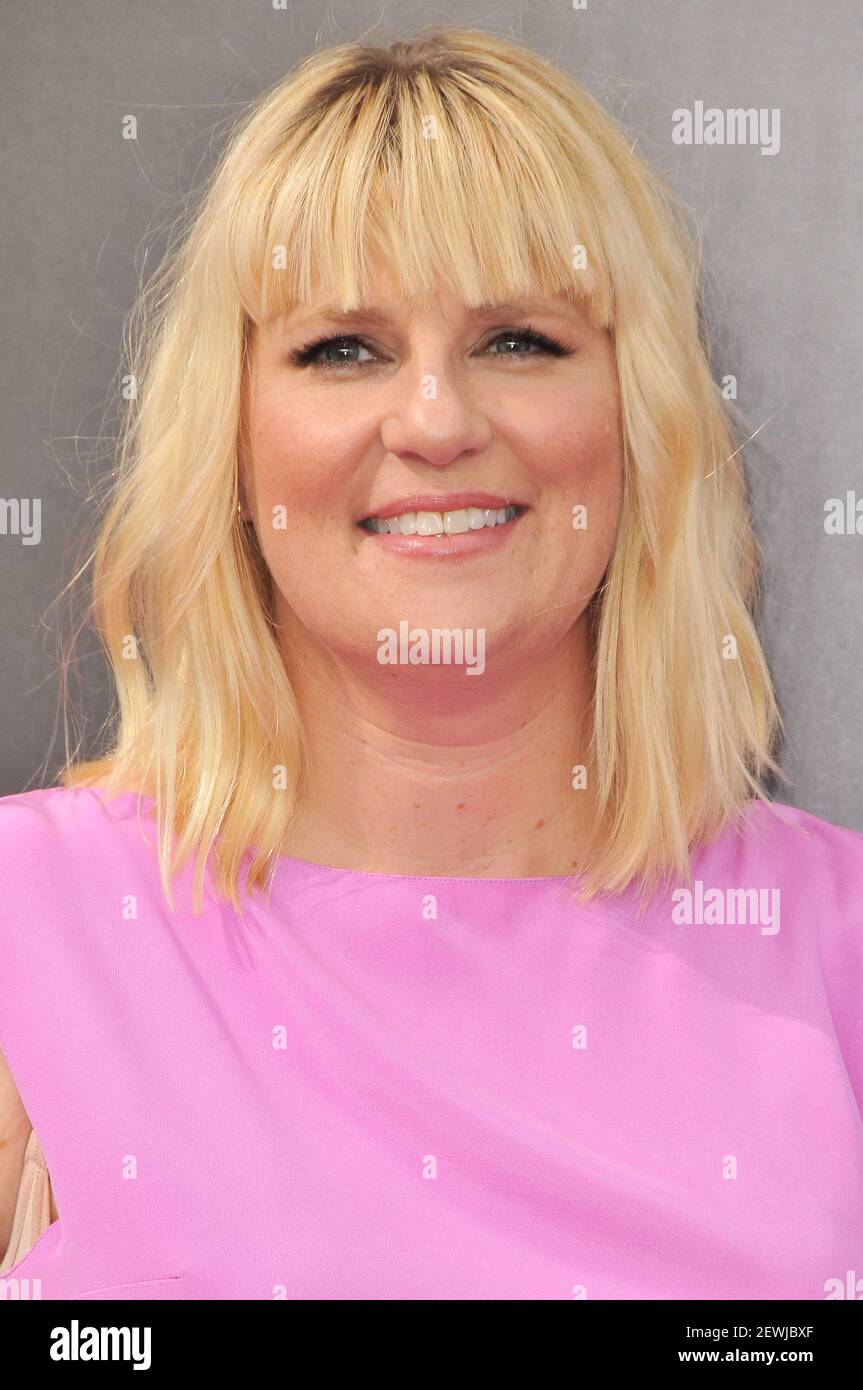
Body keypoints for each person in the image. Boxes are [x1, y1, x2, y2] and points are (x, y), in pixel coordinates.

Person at [1, 25, 860, 1301]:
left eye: (519, 339)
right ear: (229, 439)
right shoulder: (32, 929)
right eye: (341, 348)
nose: (435, 422)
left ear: (640, 417)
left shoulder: (834, 942)